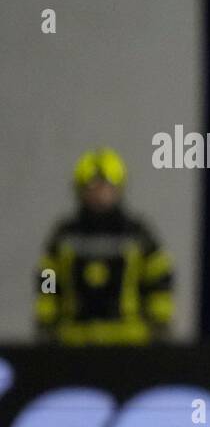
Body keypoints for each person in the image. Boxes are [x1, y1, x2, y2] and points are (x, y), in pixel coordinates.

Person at [35, 147, 173, 345]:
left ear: (118, 190)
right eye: (91, 188)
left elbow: (160, 276)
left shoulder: (137, 234)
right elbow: (48, 276)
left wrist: (160, 321)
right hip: (73, 338)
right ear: (79, 190)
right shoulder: (65, 235)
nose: (98, 195)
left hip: (128, 340)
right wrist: (46, 316)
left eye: (105, 188)